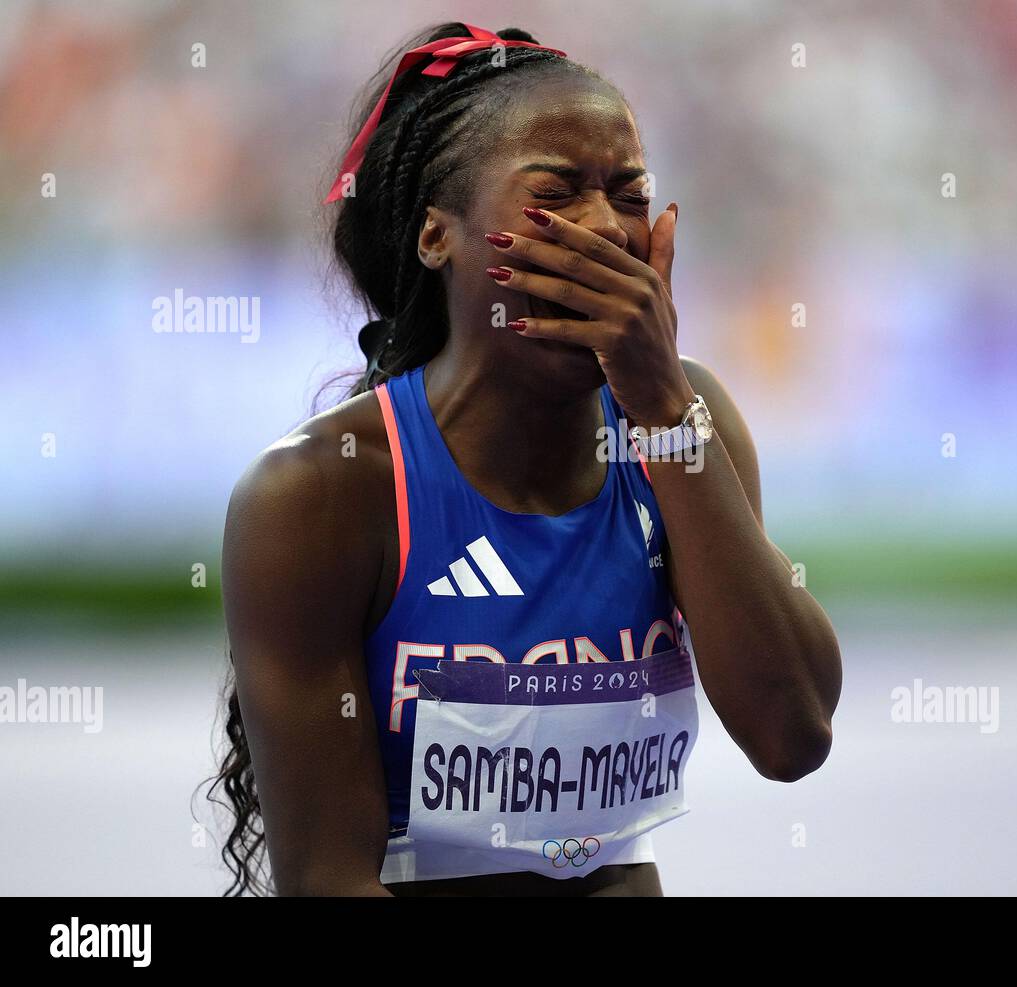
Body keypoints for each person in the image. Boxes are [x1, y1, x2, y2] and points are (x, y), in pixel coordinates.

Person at [212, 21, 842, 897]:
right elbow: (329, 881)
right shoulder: (321, 493)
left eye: (629, 194)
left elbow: (794, 734)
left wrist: (663, 413)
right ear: (439, 236)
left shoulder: (685, 424)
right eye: (554, 193)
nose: (604, 232)